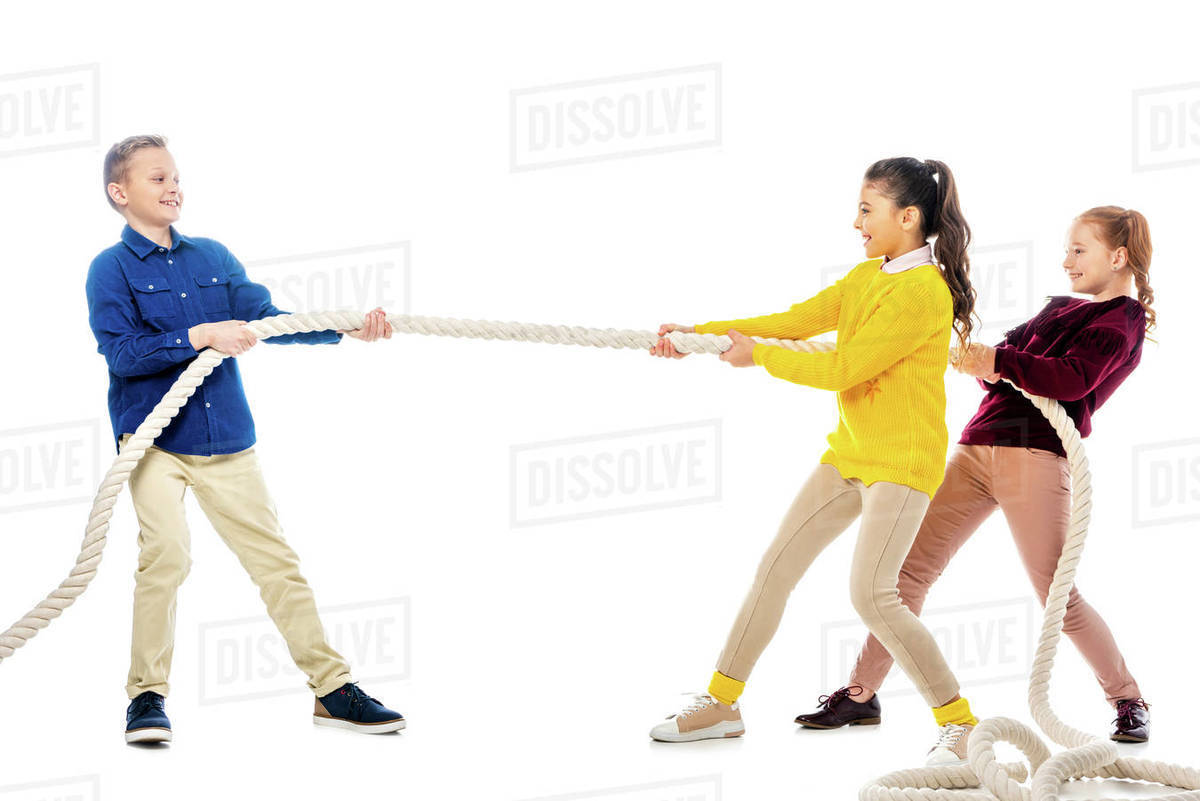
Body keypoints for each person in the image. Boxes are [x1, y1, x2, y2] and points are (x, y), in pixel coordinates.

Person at [647, 157, 983, 765]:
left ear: (907, 217)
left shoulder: (923, 293)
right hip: (850, 453)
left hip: (901, 463)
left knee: (872, 595)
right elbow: (793, 322)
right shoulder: (866, 277)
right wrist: (699, 334)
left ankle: (960, 724)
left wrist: (759, 358)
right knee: (774, 568)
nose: (856, 222)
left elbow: (843, 369)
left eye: (866, 210)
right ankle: (722, 704)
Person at [795, 206, 1155, 746]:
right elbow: (1000, 368)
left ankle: (1127, 699)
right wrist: (988, 361)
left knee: (1057, 593)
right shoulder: (1057, 310)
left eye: (1079, 250)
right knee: (905, 576)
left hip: (1034, 458)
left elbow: (1071, 379)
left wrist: (1000, 363)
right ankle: (860, 694)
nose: (1067, 261)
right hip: (974, 449)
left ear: (1119, 256)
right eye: (1067, 249)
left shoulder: (1121, 321)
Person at [85, 134, 403, 743]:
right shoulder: (110, 267)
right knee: (166, 556)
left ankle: (332, 689)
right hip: (153, 441)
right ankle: (147, 696)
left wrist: (343, 328)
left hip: (226, 436)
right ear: (119, 193)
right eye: (157, 178)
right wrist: (200, 335)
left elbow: (270, 320)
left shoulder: (213, 256)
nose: (173, 186)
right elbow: (122, 354)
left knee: (276, 562)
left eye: (176, 176)